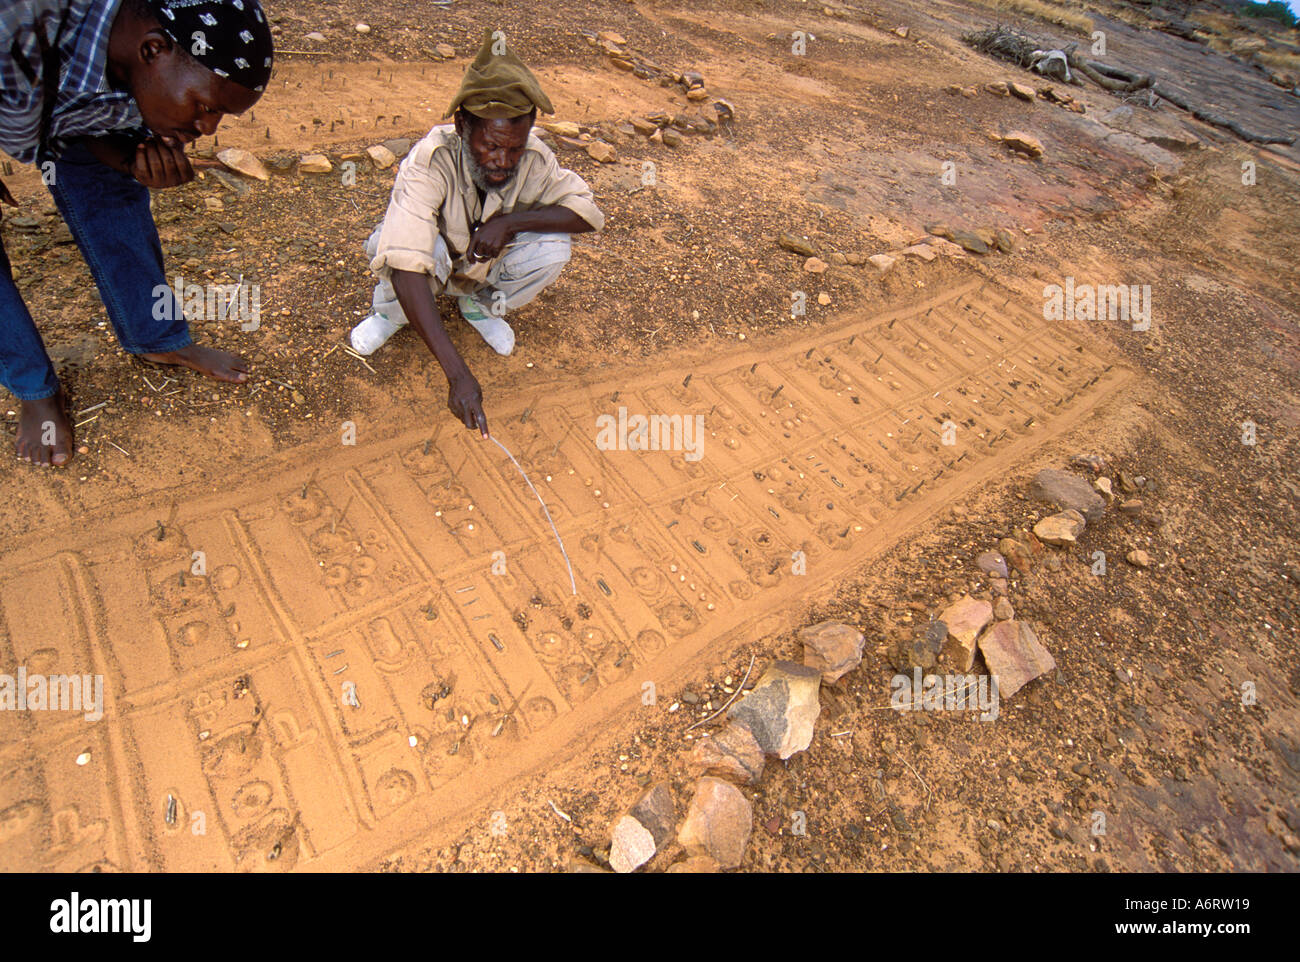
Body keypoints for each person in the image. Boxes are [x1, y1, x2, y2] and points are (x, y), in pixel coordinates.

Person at [0, 0, 274, 466]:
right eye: (207, 107)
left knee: (114, 191)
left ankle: (155, 338)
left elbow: (73, 126)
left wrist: (128, 159)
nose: (207, 129)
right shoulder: (14, 22)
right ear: (154, 49)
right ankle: (33, 387)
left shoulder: (136, 43)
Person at [352, 28, 605, 439]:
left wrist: (511, 223)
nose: (503, 162)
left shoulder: (534, 158)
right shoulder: (430, 160)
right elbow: (404, 264)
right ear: (463, 125)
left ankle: (478, 306)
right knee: (414, 249)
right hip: (426, 262)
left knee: (554, 247)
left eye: (515, 148)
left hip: (477, 271)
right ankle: (390, 314)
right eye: (491, 146)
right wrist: (458, 375)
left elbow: (587, 212)